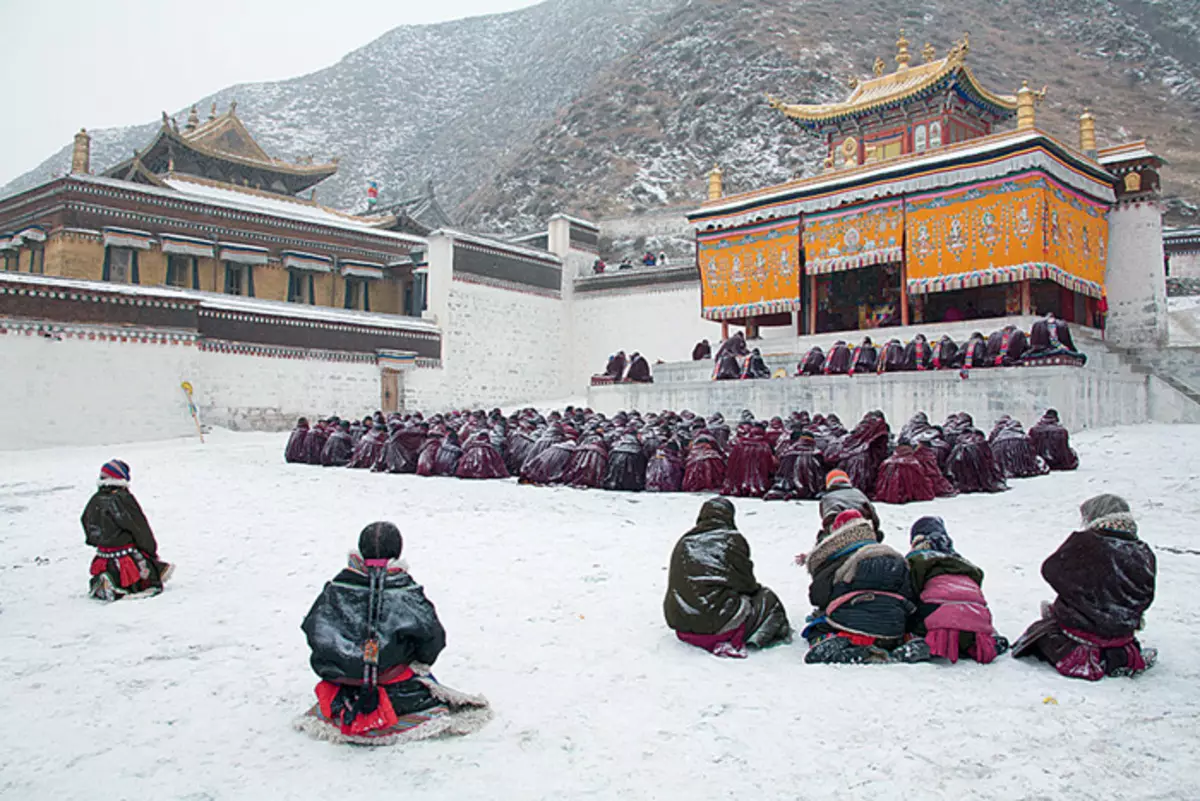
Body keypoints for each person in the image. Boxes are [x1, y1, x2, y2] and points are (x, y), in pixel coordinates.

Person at [296, 522, 491, 744]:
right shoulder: (406, 593)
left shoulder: (335, 589)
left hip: (340, 682)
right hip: (392, 684)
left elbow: (314, 630)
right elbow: (433, 639)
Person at [1012, 495, 1156, 680]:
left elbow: (1050, 570)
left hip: (1081, 630)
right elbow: (1146, 594)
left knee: (1044, 631)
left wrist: (1078, 596)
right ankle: (1120, 657)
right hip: (1122, 631)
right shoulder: (1143, 551)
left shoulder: (1086, 542)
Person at [664, 498, 790, 657]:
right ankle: (753, 636)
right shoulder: (732, 539)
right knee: (768, 600)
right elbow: (747, 583)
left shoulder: (684, 541)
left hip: (681, 623)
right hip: (715, 622)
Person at [799, 510, 927, 664]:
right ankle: (906, 643)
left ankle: (845, 647)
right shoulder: (891, 555)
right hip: (893, 626)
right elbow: (909, 594)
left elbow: (817, 596)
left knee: (815, 629)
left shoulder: (840, 557)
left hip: (852, 623)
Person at [906, 517, 1007, 663]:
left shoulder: (916, 559)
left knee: (916, 619)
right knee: (970, 628)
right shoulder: (965, 563)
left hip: (939, 621)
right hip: (975, 622)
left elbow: (910, 592)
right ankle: (989, 642)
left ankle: (924, 644)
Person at [81, 460, 173, 601]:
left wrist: (98, 541)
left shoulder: (95, 499)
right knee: (146, 566)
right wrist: (150, 549)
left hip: (104, 553)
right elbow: (139, 528)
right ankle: (123, 583)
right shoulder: (123, 498)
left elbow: (86, 521)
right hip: (124, 553)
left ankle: (107, 579)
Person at [818, 469, 879, 535]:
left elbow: (827, 521)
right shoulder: (858, 493)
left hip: (839, 534)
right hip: (864, 530)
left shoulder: (827, 498)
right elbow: (874, 518)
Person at [721, 422, 775, 497]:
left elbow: (731, 462)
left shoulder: (740, 444)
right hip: (759, 482)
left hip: (738, 482)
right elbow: (770, 465)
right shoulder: (764, 446)